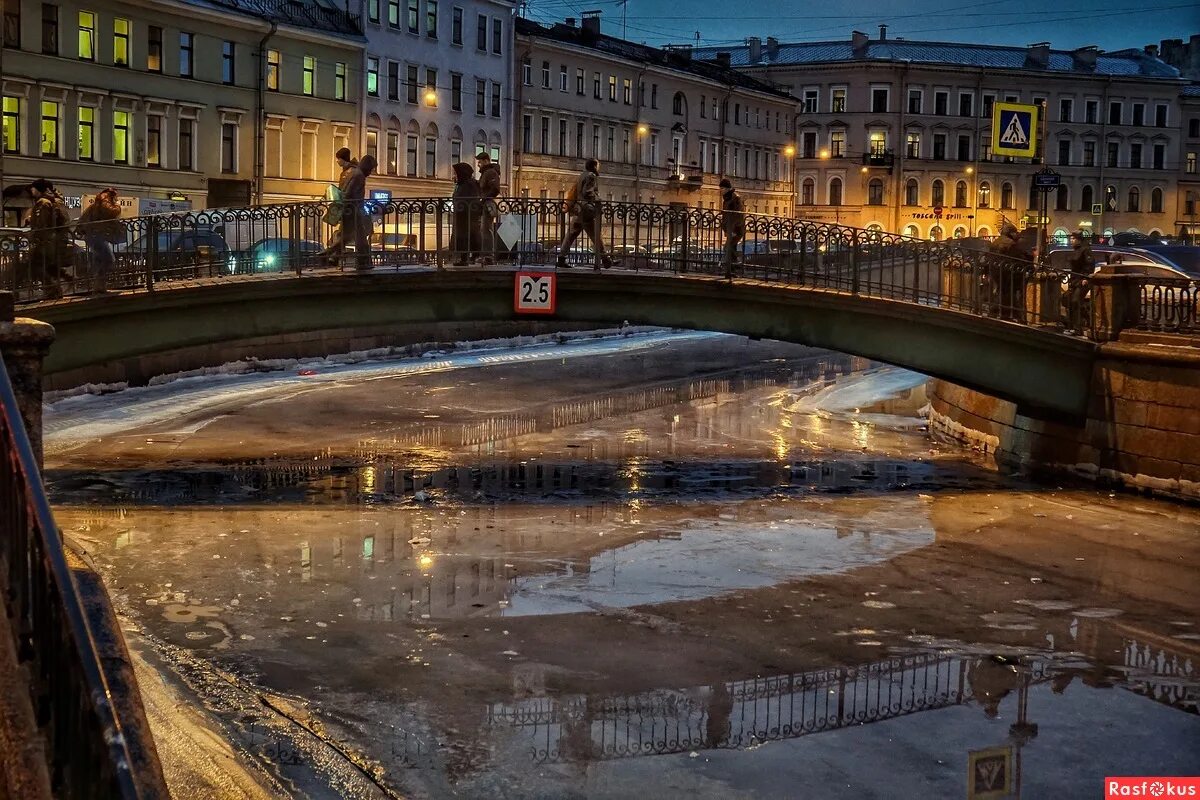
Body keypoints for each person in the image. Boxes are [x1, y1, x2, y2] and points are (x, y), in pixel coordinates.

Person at [557, 158, 612, 270]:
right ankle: (605, 260)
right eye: (598, 165)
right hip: (586, 211)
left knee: (571, 235)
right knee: (595, 235)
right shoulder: (591, 176)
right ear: (594, 166)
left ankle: (561, 258)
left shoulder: (582, 175)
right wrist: (598, 200)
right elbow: (588, 192)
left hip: (578, 209)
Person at [28, 179, 71, 299]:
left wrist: (33, 236)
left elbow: (42, 223)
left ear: (39, 189)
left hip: (45, 240)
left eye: (33, 188)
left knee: (34, 266)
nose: (32, 190)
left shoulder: (43, 202)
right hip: (53, 240)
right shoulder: (52, 200)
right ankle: (65, 279)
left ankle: (53, 290)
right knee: (47, 266)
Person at [78, 188, 123, 294]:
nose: (116, 199)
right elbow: (111, 212)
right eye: (116, 197)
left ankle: (99, 287)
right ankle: (98, 285)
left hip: (92, 236)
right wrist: (118, 206)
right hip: (97, 236)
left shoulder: (95, 205)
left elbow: (83, 220)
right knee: (109, 259)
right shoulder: (105, 201)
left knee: (99, 260)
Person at [322, 147, 359, 265]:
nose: (337, 161)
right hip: (348, 207)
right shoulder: (346, 171)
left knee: (346, 234)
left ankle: (331, 253)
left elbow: (346, 191)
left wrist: (340, 200)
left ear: (343, 159)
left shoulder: (351, 172)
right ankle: (334, 256)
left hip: (350, 208)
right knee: (344, 234)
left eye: (338, 159)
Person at [340, 153, 377, 271]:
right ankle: (363, 262)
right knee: (358, 238)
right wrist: (349, 206)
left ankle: (364, 262)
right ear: (367, 167)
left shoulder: (355, 173)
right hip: (354, 210)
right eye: (371, 169)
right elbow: (349, 192)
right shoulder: (359, 175)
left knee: (351, 237)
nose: (370, 172)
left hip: (352, 209)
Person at [450, 162, 481, 266]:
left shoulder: (469, 184)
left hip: (466, 217)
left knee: (466, 237)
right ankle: (464, 258)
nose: (454, 175)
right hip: (462, 216)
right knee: (462, 237)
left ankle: (467, 258)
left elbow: (471, 200)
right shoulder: (462, 184)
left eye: (455, 173)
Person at [1064, 231, 1095, 332]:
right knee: (1067, 300)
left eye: (1073, 239)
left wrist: (1085, 278)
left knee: (1075, 301)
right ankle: (1085, 321)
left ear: (1079, 240)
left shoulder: (1085, 250)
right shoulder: (1076, 250)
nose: (1071, 240)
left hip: (1082, 280)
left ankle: (1077, 328)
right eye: (1071, 238)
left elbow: (1089, 264)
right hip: (1074, 279)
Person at [475, 151, 501, 265]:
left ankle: (488, 256)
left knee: (486, 230)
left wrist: (484, 198)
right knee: (484, 230)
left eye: (480, 162)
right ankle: (485, 255)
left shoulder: (490, 172)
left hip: (488, 204)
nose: (478, 165)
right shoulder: (486, 173)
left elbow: (495, 189)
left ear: (486, 161)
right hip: (485, 203)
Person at [719, 178, 745, 278]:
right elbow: (726, 214)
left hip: (736, 229)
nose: (721, 190)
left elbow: (738, 215)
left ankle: (737, 265)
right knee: (731, 247)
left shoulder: (735, 198)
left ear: (727, 188)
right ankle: (733, 270)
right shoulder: (726, 198)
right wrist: (725, 228)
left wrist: (733, 229)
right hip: (730, 228)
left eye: (722, 188)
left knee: (727, 248)